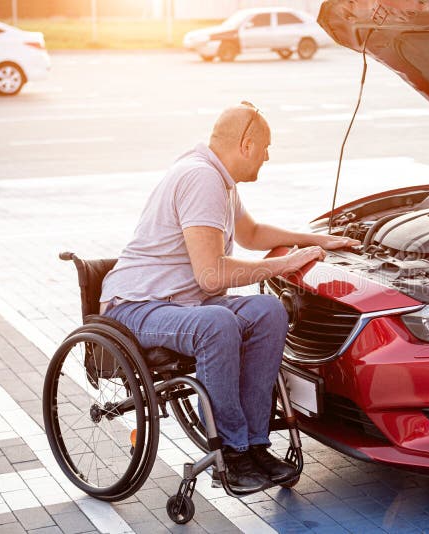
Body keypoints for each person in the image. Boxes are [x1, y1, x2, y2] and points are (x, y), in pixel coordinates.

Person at [99, 102, 359, 492]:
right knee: (218, 323)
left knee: (269, 311)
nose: (269, 156)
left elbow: (251, 233)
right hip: (138, 306)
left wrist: (315, 240)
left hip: (182, 303)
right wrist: (283, 266)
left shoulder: (220, 179)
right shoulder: (200, 177)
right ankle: (233, 451)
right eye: (267, 147)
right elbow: (210, 275)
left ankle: (255, 443)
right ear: (247, 144)